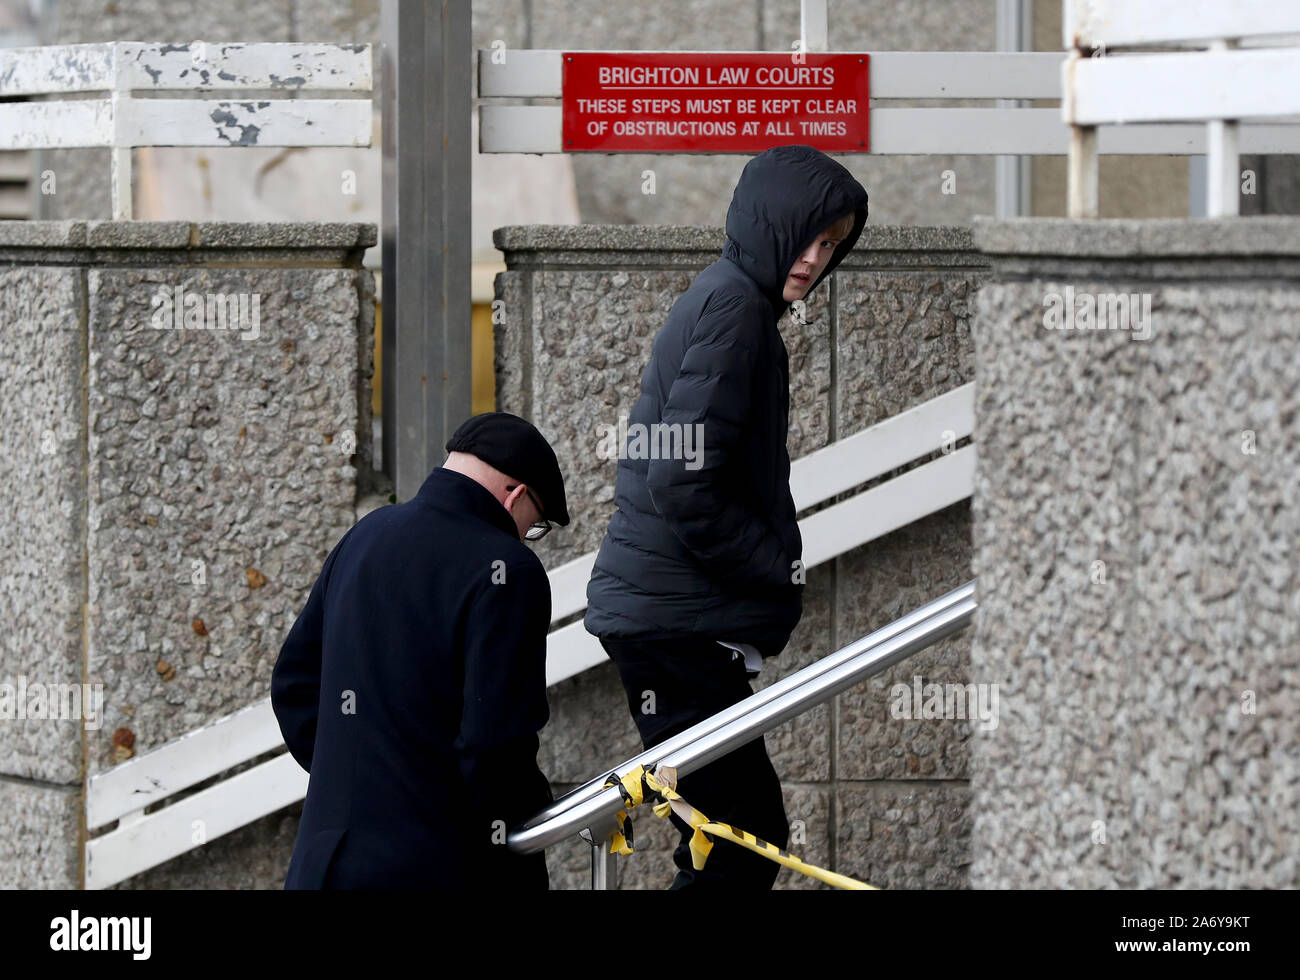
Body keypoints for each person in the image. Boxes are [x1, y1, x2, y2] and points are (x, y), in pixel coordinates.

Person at [584, 144, 868, 889]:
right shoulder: (737, 310)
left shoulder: (725, 300)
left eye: (831, 245)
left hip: (665, 619)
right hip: (671, 626)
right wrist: (771, 566)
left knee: (731, 837)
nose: (814, 258)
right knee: (743, 838)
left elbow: (665, 461)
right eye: (806, 235)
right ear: (768, 222)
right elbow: (679, 481)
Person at [271, 411, 569, 889]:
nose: (525, 538)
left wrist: (361, 781)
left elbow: (294, 686)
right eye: (534, 526)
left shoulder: (365, 536)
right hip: (432, 868)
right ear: (515, 494)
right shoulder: (507, 568)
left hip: (321, 867)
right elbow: (495, 745)